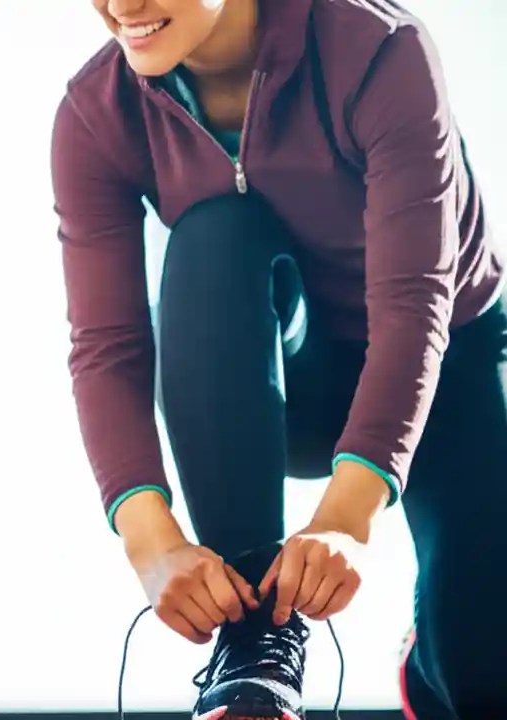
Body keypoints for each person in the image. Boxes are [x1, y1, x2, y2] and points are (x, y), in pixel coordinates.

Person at [50, 0, 507, 717]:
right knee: (211, 236)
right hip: (279, 381)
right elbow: (107, 347)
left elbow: (414, 304)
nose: (121, 6)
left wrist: (347, 521)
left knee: (484, 673)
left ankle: (430, 662)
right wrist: (153, 542)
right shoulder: (95, 114)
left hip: (447, 368)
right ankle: (256, 645)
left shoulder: (380, 50)